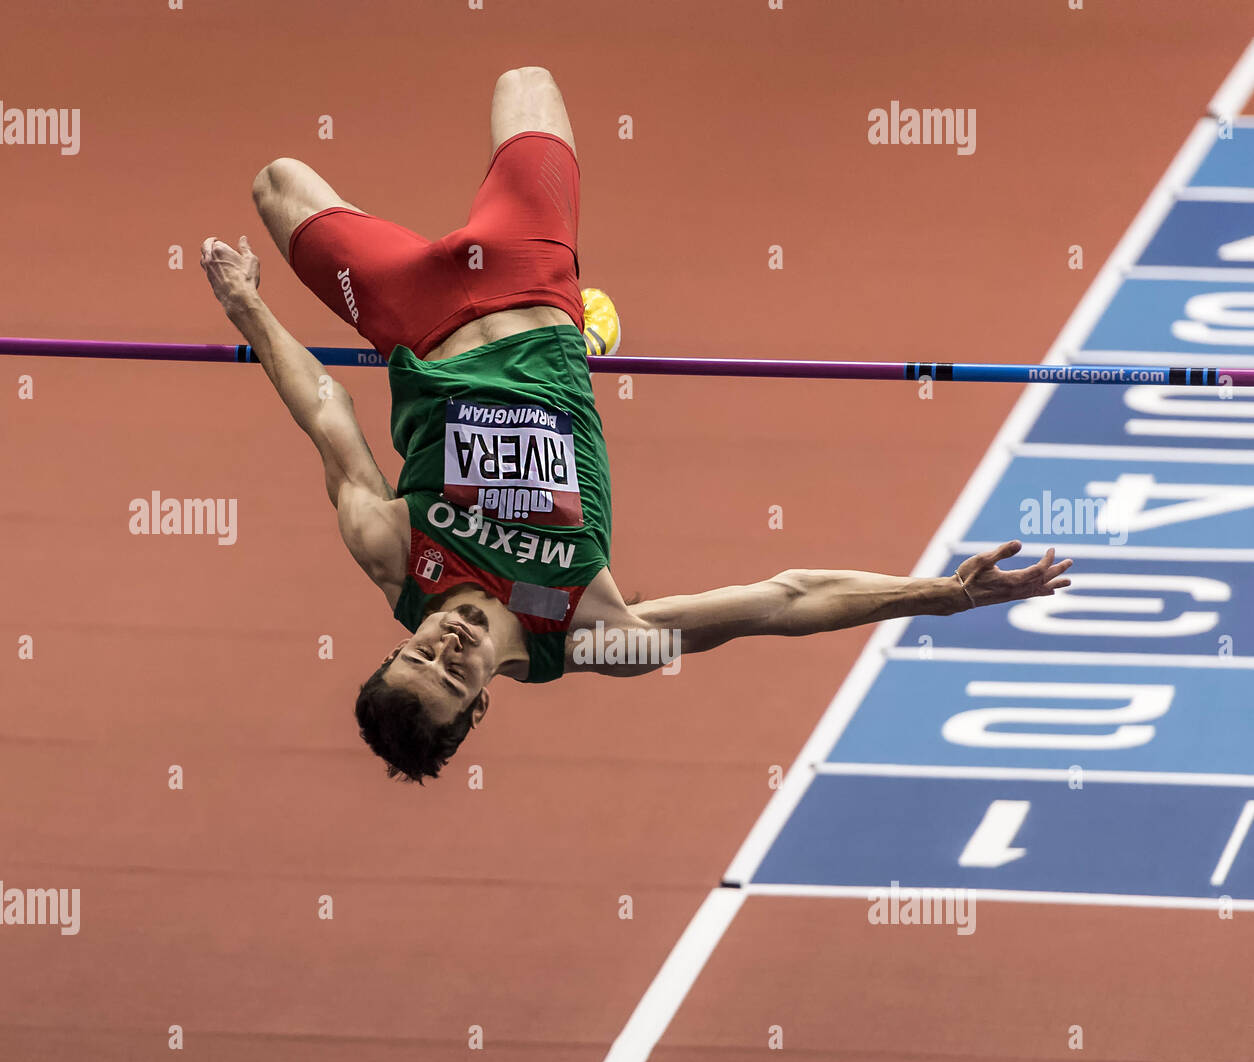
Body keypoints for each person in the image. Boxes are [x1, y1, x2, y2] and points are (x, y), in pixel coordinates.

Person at [200, 66, 1071, 784]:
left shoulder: (395, 558)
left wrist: (248, 311)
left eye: (418, 654)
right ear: (480, 704)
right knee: (529, 83)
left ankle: (594, 330)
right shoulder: (590, 632)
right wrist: (940, 596)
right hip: (529, 281)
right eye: (452, 675)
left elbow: (328, 409)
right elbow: (783, 599)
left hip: (412, 310)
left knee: (276, 183)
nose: (447, 646)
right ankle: (583, 331)